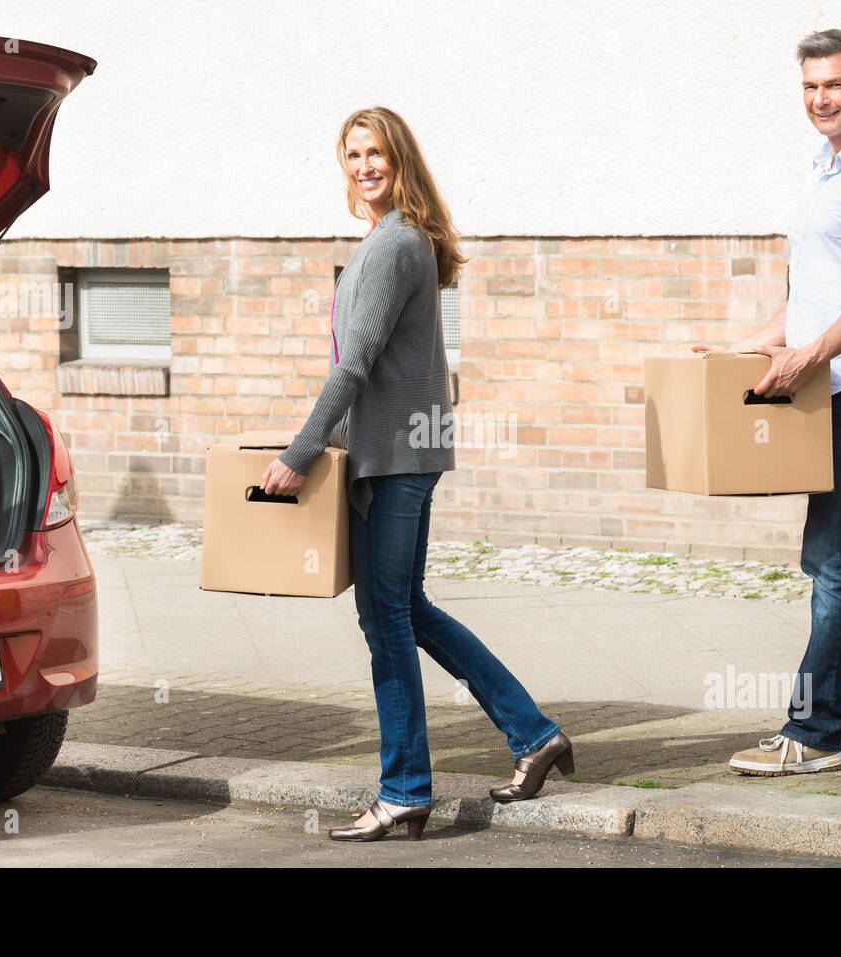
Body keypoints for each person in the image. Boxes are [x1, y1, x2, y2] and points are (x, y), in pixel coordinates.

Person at [260, 107, 572, 840]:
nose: (365, 166)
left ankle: (404, 788)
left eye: (377, 153)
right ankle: (534, 735)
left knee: (387, 622)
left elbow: (355, 366)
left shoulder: (397, 244)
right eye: (353, 154)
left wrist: (297, 453)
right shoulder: (389, 241)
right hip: (396, 456)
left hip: (396, 462)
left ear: (401, 160)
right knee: (410, 610)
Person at [695, 30, 841, 775]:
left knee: (832, 558)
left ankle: (815, 730)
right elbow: (810, 299)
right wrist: (750, 347)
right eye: (810, 88)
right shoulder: (822, 170)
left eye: (834, 85)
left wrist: (811, 354)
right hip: (827, 379)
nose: (821, 99)